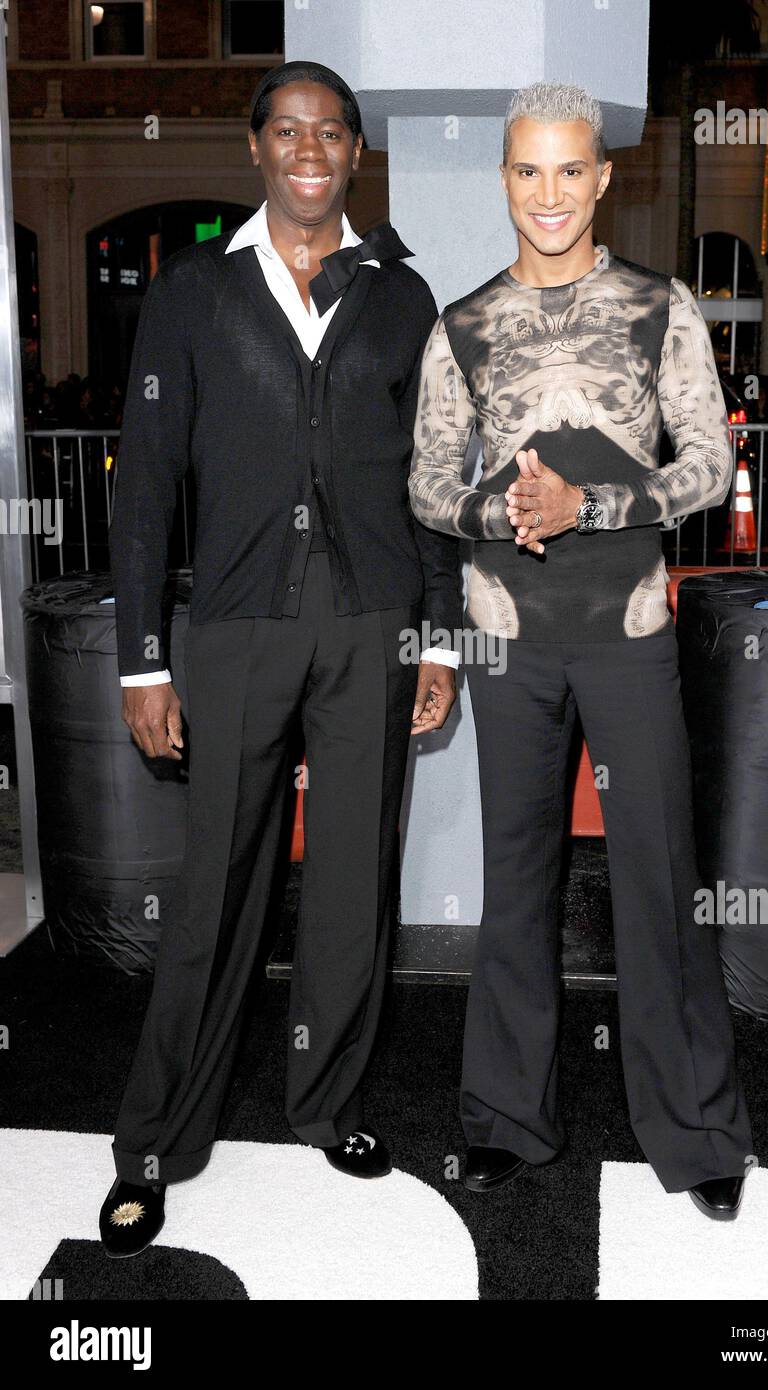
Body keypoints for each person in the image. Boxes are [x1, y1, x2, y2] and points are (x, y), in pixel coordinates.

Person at [100, 60, 461, 1257]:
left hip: (372, 622)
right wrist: (143, 661)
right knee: (218, 889)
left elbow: (434, 485)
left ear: (357, 154)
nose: (311, 148)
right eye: (289, 129)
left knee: (355, 879)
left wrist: (441, 634)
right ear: (257, 148)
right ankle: (157, 1138)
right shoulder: (195, 292)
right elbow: (147, 485)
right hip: (242, 625)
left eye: (334, 132)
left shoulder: (401, 297)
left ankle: (329, 1100)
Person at [409, 81, 754, 1219]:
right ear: (502, 177)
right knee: (518, 881)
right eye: (526, 171)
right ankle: (506, 1116)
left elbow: (708, 466)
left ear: (603, 177)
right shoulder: (459, 324)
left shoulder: (663, 307)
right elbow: (424, 485)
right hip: (509, 639)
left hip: (629, 632)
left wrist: (589, 508)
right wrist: (505, 515)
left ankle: (696, 1129)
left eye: (569, 170)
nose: (547, 193)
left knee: (658, 877)